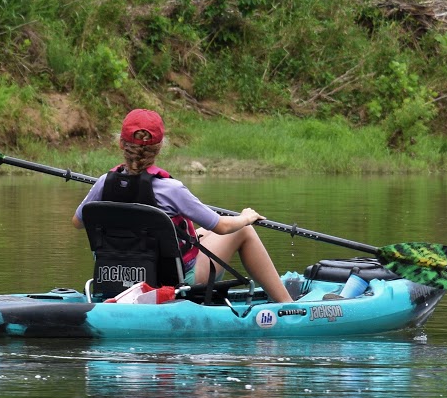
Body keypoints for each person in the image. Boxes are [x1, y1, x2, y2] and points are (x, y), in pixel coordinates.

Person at [71, 108, 293, 303]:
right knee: (243, 231)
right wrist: (246, 217)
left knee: (199, 233)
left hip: (116, 274)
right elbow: (223, 227)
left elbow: (78, 222)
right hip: (174, 280)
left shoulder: (103, 183)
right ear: (159, 148)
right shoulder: (172, 189)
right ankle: (287, 305)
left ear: (121, 143)